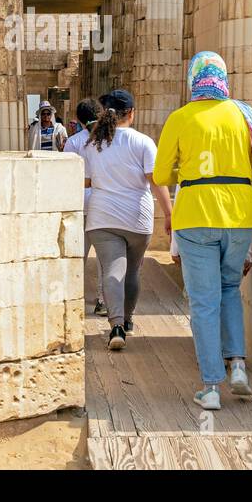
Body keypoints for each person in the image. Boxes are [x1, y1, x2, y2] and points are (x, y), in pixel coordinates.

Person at [152, 52, 252, 410]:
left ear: (193, 79)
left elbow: (162, 174)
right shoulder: (243, 116)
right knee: (230, 289)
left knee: (203, 301)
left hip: (196, 213)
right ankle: (239, 366)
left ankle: (211, 386)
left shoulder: (180, 118)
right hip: (240, 213)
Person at [82, 89, 172, 350]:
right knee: (132, 270)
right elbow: (156, 182)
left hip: (102, 216)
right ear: (131, 113)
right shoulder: (143, 142)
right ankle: (129, 321)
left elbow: (86, 181)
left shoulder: (93, 144)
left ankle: (116, 326)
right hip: (136, 216)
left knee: (111, 268)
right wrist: (169, 214)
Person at [63, 97, 106, 316]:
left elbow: (67, 176)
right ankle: (103, 300)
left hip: (80, 202)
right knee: (104, 257)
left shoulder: (74, 142)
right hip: (102, 203)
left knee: (78, 254)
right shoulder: (108, 140)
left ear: (79, 119)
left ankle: (73, 297)